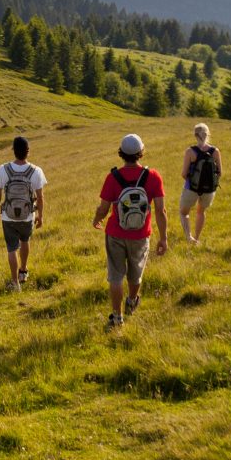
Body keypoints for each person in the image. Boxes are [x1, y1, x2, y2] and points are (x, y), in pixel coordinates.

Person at [93, 133, 166, 328]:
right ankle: (132, 301)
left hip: (116, 232)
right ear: (141, 153)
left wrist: (96, 219)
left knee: (116, 276)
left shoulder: (112, 177)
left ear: (121, 153)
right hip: (141, 235)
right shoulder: (153, 177)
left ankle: (117, 317)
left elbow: (104, 207)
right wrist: (163, 238)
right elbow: (160, 210)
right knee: (136, 274)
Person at [0, 136, 46, 291]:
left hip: (8, 216)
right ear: (28, 151)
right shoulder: (36, 171)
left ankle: (15, 283)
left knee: (11, 248)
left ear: (13, 151)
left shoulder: (4, 169)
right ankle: (23, 270)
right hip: (27, 215)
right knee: (25, 240)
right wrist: (40, 216)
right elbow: (40, 197)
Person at [179, 123, 223, 244]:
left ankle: (189, 237)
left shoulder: (190, 152)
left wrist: (193, 181)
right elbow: (219, 172)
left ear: (195, 135)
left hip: (191, 188)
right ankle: (197, 238)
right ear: (208, 134)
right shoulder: (215, 151)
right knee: (201, 211)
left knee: (183, 213)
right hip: (209, 190)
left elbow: (183, 174)